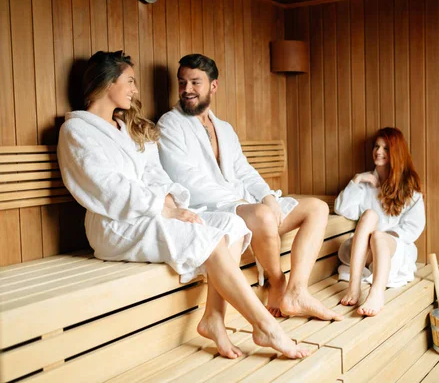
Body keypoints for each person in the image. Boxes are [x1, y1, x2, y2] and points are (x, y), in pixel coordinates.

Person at [57, 50, 309, 360]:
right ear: (107, 83)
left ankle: (213, 318)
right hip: (115, 225)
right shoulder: (77, 132)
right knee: (209, 238)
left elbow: (156, 175)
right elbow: (107, 189)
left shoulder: (128, 128)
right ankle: (266, 327)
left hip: (153, 214)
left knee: (231, 224)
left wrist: (171, 204)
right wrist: (167, 210)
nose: (135, 90)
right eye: (130, 81)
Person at [157, 54, 342, 321]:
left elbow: (244, 170)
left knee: (317, 207)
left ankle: (297, 291)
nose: (187, 90)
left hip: (243, 206)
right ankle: (277, 283)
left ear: (213, 86)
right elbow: (186, 181)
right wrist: (243, 203)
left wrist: (266, 195)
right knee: (263, 215)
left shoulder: (224, 128)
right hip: (209, 209)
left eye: (195, 82)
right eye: (182, 82)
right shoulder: (170, 124)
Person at [334, 127, 425, 316]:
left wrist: (383, 236)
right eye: (377, 146)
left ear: (396, 153)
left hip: (392, 248)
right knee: (369, 216)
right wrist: (357, 180)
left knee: (378, 236)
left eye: (386, 148)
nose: (379, 151)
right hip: (364, 250)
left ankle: (376, 294)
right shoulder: (365, 181)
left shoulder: (409, 189)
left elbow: (414, 227)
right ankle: (354, 287)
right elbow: (342, 209)